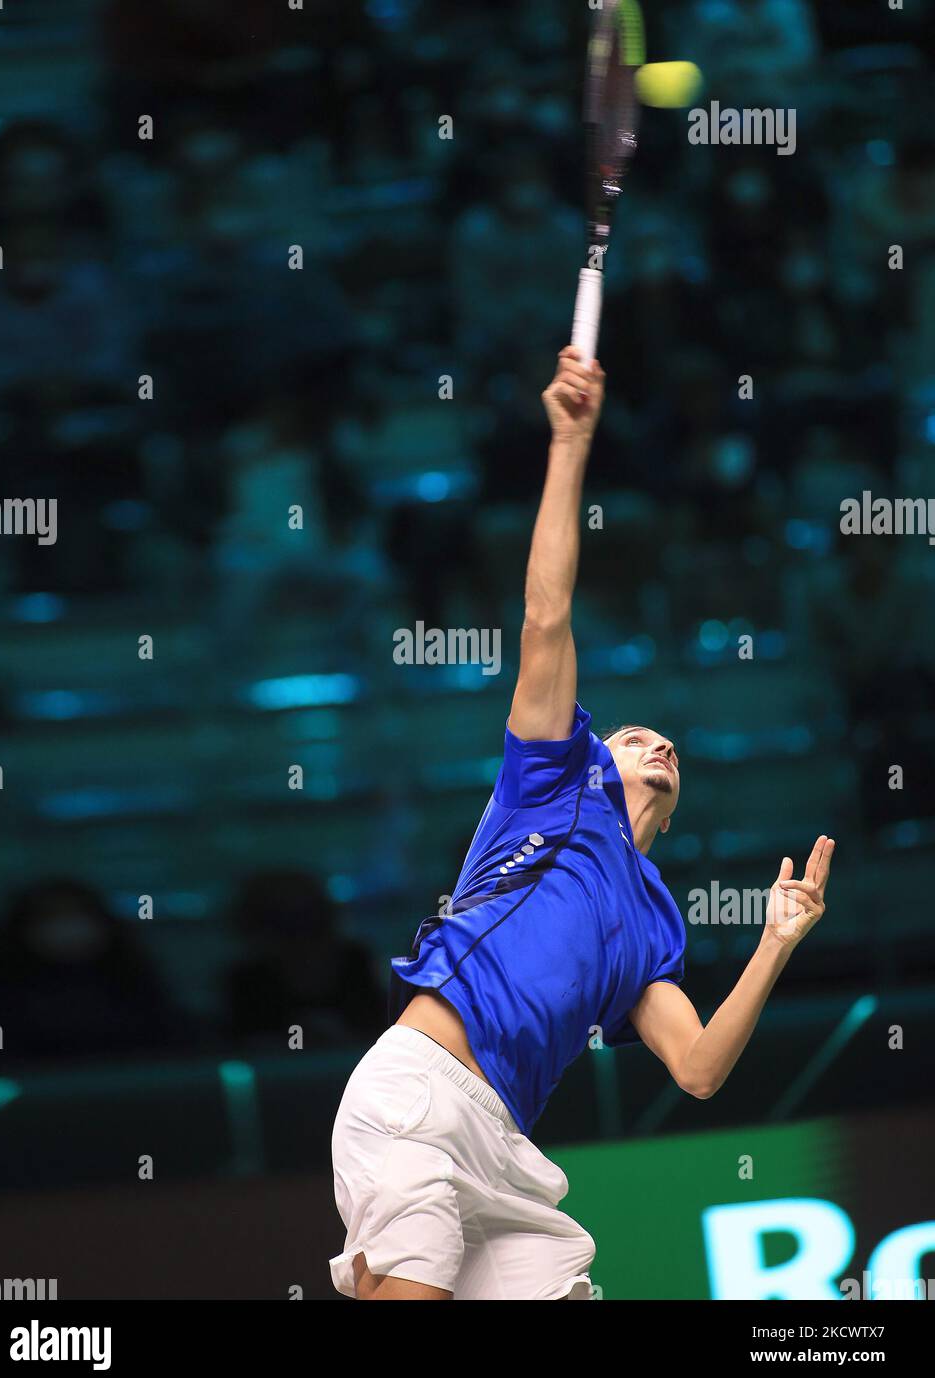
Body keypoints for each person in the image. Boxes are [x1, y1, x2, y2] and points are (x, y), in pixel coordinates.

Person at [329, 347, 835, 1301]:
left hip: (504, 1143)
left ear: (672, 816)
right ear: (596, 757)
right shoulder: (547, 783)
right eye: (635, 734)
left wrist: (773, 942)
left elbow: (696, 1071)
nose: (657, 745)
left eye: (666, 747)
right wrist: (569, 443)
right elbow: (546, 615)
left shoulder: (650, 925)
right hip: (416, 1093)